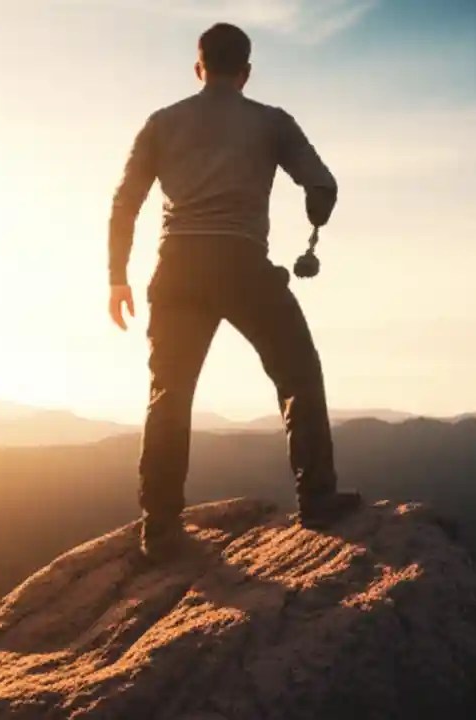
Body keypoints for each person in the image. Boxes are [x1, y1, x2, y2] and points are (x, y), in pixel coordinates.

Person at [107, 22, 361, 560]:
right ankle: (317, 499)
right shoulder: (271, 123)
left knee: (169, 395)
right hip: (242, 264)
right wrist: (316, 219)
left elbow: (125, 203)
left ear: (198, 68)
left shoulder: (161, 122)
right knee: (297, 373)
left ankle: (160, 526)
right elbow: (322, 184)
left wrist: (117, 277)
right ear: (246, 72)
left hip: (175, 268)